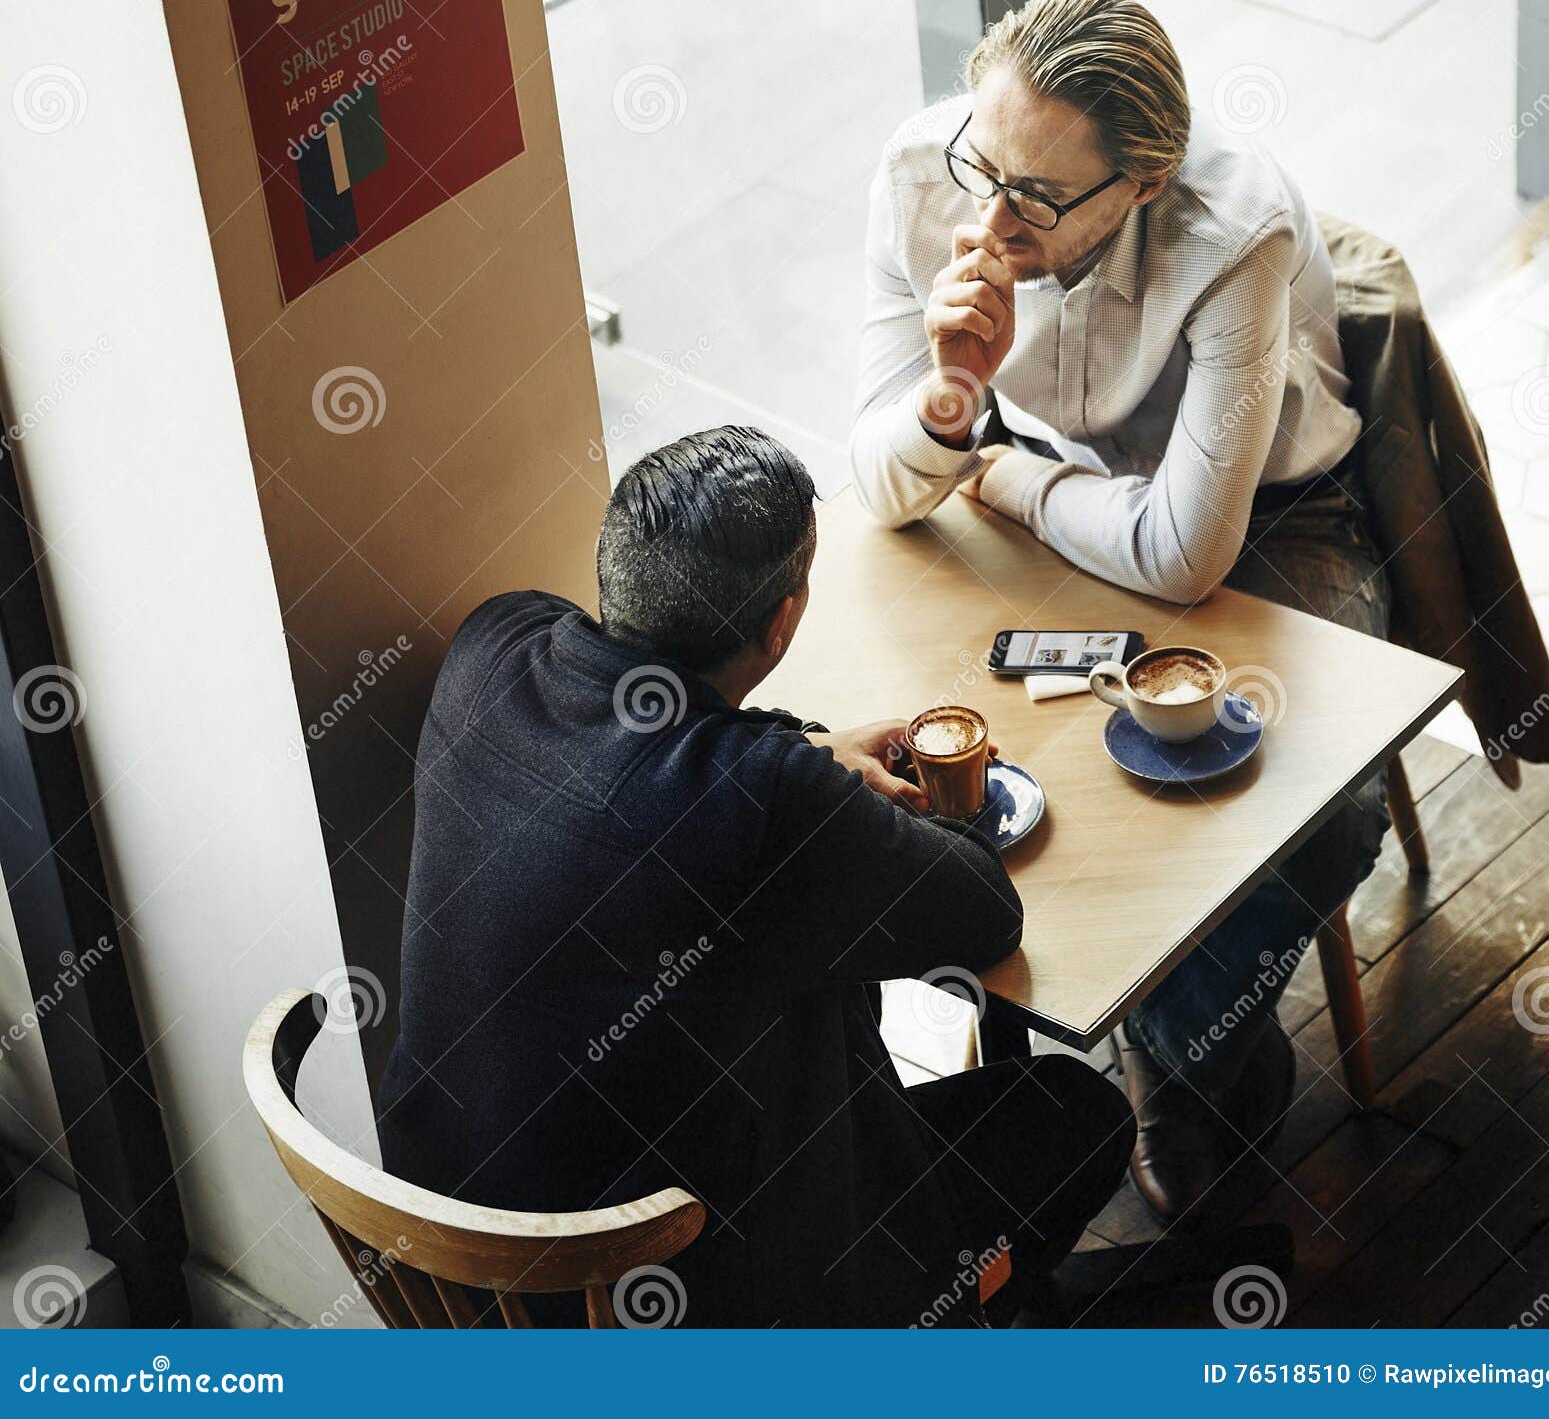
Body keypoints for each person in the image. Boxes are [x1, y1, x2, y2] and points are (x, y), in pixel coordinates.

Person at [378, 426, 1133, 1327]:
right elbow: (982, 914)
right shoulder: (764, 800)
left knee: (799, 995)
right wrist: (941, 794)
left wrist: (806, 757)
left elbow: (651, 776)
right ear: (783, 620)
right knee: (1080, 1114)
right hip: (682, 1305)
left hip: (460, 1271)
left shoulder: (494, 643)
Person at [850, 0, 1392, 1222]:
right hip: (1052, 483)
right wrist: (948, 400)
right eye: (982, 162)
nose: (990, 217)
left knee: (1326, 807)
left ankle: (1192, 1059)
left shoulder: (1233, 230)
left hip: (1280, 516)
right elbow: (879, 482)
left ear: (1142, 182)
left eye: (1037, 197)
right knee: (939, 732)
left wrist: (1005, 471)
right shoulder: (914, 175)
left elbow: (1189, 552)